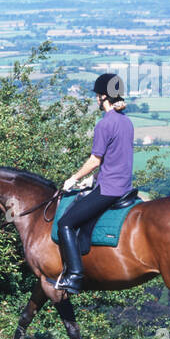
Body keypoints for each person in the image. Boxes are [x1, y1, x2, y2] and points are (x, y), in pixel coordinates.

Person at [54, 73, 135, 294]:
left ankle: (74, 276)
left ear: (102, 97)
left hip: (109, 189)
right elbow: (117, 157)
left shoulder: (104, 124)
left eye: (97, 97)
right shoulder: (126, 122)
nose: (96, 100)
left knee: (66, 224)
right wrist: (94, 178)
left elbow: (95, 159)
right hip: (124, 186)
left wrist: (74, 178)